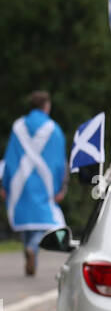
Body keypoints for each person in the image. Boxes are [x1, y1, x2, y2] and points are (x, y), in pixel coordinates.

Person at [1, 90, 67, 276]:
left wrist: (5, 185)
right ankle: (32, 248)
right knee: (45, 222)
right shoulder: (54, 129)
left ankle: (29, 252)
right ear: (47, 106)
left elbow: (10, 159)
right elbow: (60, 163)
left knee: (27, 221)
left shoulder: (17, 127)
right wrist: (62, 187)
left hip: (20, 185)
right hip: (45, 186)